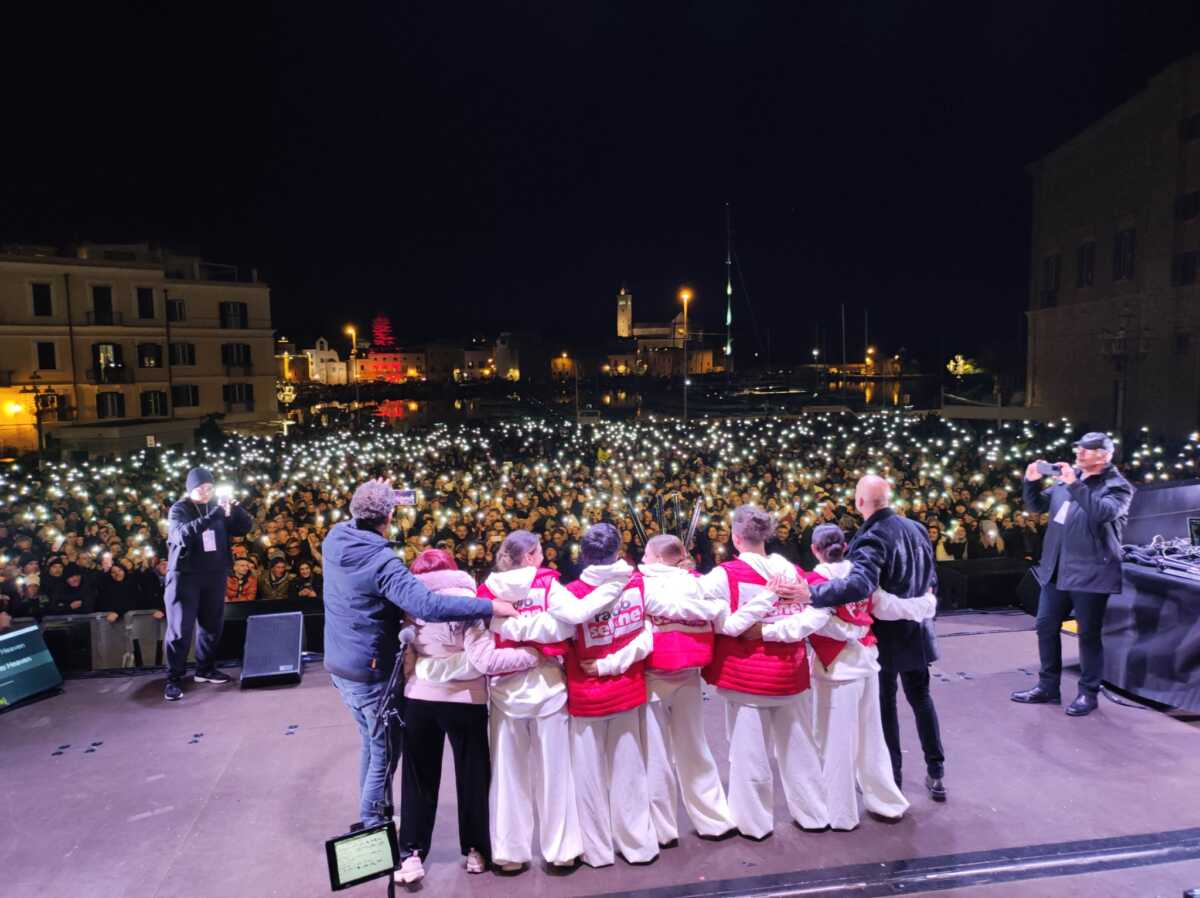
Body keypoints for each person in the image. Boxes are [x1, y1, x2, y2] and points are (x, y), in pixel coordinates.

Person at [321, 479, 516, 852]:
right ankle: (372, 830)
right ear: (390, 516)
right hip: (369, 670)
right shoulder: (382, 561)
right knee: (384, 752)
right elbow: (429, 607)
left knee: (370, 741)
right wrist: (489, 606)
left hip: (339, 664)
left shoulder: (334, 538)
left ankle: (374, 819)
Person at [790, 475, 947, 801]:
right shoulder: (917, 528)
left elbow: (860, 584)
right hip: (919, 630)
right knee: (922, 700)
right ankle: (936, 771)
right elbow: (931, 577)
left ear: (860, 502)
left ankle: (893, 780)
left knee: (885, 708)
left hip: (888, 637)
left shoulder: (872, 535)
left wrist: (811, 592)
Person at [481, 529, 627, 873]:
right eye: (540, 549)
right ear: (530, 556)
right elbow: (570, 623)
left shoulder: (487, 590)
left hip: (505, 690)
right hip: (547, 685)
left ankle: (509, 854)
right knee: (556, 772)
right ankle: (561, 850)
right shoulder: (548, 585)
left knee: (507, 775)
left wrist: (516, 628)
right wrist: (612, 587)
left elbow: (492, 631)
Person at [393, 549, 541, 883]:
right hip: (466, 701)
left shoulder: (409, 603)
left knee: (418, 779)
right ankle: (475, 850)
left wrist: (430, 668)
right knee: (473, 777)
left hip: (420, 699)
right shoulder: (472, 603)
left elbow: (406, 656)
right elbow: (484, 661)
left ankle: (412, 854)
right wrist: (533, 657)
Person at [778, 524, 933, 829]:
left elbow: (815, 624)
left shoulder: (813, 583)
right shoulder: (862, 578)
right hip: (867, 664)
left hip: (837, 670)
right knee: (871, 738)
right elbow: (888, 607)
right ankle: (885, 802)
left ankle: (841, 813)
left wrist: (767, 631)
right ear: (846, 546)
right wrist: (927, 604)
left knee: (835, 741)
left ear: (814, 549)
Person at [699, 504, 831, 838]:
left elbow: (710, 619)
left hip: (746, 677)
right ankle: (814, 813)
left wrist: (764, 631)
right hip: (792, 674)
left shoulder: (724, 574)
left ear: (734, 537)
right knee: (800, 749)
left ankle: (754, 823)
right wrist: (779, 630)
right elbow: (815, 615)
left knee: (749, 755)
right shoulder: (793, 572)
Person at [1012, 433, 1134, 717]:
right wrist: (1030, 482)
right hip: (1057, 569)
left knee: (1088, 635)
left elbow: (1101, 512)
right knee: (1045, 626)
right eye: (1078, 447)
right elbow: (1036, 507)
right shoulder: (1068, 480)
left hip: (1092, 572)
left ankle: (1088, 693)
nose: (1079, 452)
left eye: (1086, 449)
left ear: (1103, 456)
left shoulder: (1118, 487)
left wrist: (1074, 484)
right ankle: (1047, 686)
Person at [638, 534, 737, 844]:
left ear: (654, 557)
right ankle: (715, 820)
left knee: (656, 755)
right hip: (689, 671)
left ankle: (663, 831)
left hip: (652, 673)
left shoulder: (639, 583)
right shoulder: (697, 582)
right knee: (695, 747)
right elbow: (718, 610)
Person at [163, 468, 253, 702]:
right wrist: (214, 515)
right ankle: (173, 678)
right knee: (180, 629)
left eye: (210, 488)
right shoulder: (179, 509)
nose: (206, 492)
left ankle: (205, 668)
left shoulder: (218, 507)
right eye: (201, 488)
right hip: (186, 575)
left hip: (214, 573)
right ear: (190, 488)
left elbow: (244, 528)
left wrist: (236, 509)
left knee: (212, 625)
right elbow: (182, 535)